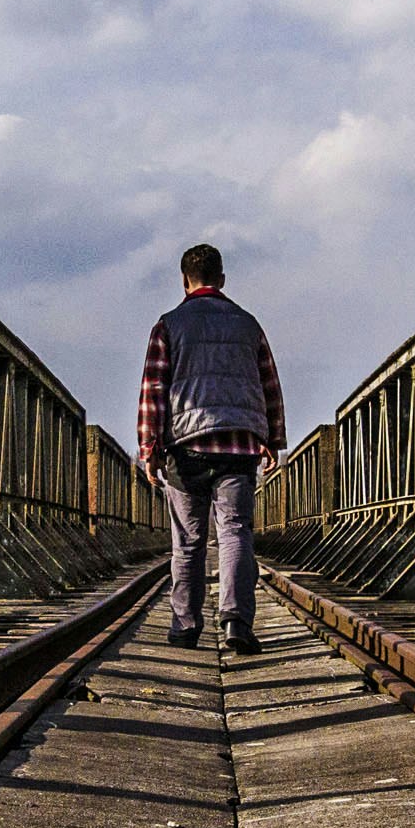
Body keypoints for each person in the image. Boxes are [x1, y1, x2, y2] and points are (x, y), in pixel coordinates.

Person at [137, 243, 286, 655]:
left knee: (188, 541)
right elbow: (269, 384)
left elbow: (154, 390)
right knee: (235, 531)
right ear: (222, 280)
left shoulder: (169, 324)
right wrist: (274, 439)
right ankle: (237, 621)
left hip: (186, 448)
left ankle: (185, 627)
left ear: (185, 281)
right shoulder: (248, 324)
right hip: (238, 447)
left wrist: (149, 447)